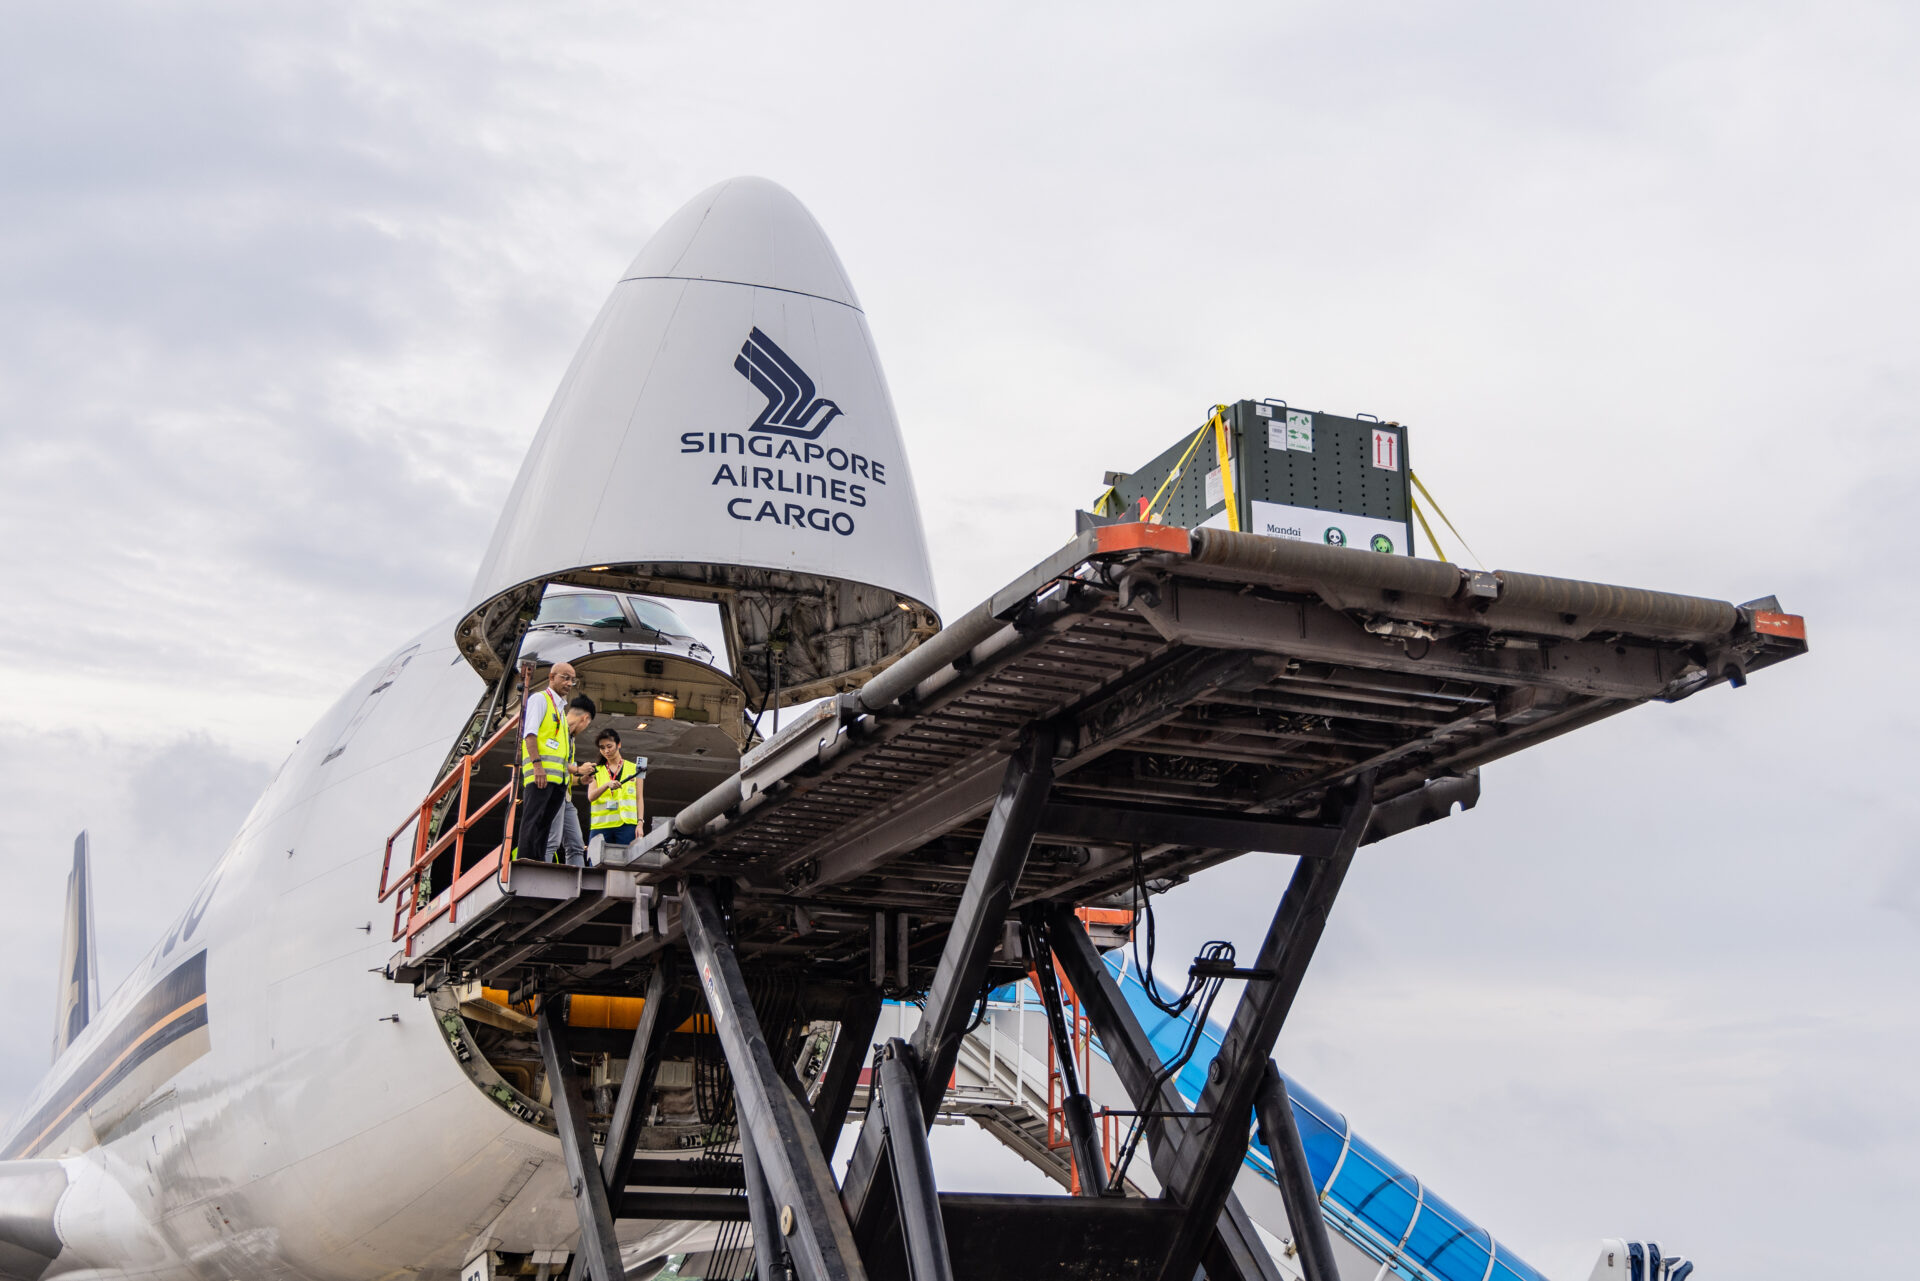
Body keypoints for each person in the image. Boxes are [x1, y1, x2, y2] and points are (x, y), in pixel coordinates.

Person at [516, 662, 578, 862]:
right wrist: (537, 766)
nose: (569, 683)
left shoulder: (560, 709)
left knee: (545, 824)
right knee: (533, 820)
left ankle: (538, 861)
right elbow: (530, 735)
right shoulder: (540, 699)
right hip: (541, 775)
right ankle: (526, 861)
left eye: (572, 680)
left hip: (558, 780)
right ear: (552, 677)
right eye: (565, 678)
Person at [546, 695, 598, 866]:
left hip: (565, 796)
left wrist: (581, 780)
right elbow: (550, 760)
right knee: (552, 841)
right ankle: (539, 873)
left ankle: (576, 878)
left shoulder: (570, 739)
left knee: (576, 845)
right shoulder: (556, 728)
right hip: (552, 791)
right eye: (587, 724)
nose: (584, 728)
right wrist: (578, 769)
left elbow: (564, 773)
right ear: (585, 718)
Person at [585, 728, 645, 862]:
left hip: (626, 825)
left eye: (609, 746)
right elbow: (591, 796)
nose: (606, 751)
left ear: (619, 744)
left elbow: (639, 798)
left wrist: (640, 823)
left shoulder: (635, 768)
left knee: (626, 863)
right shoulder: (596, 770)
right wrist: (606, 785)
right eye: (602, 748)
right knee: (595, 862)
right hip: (601, 825)